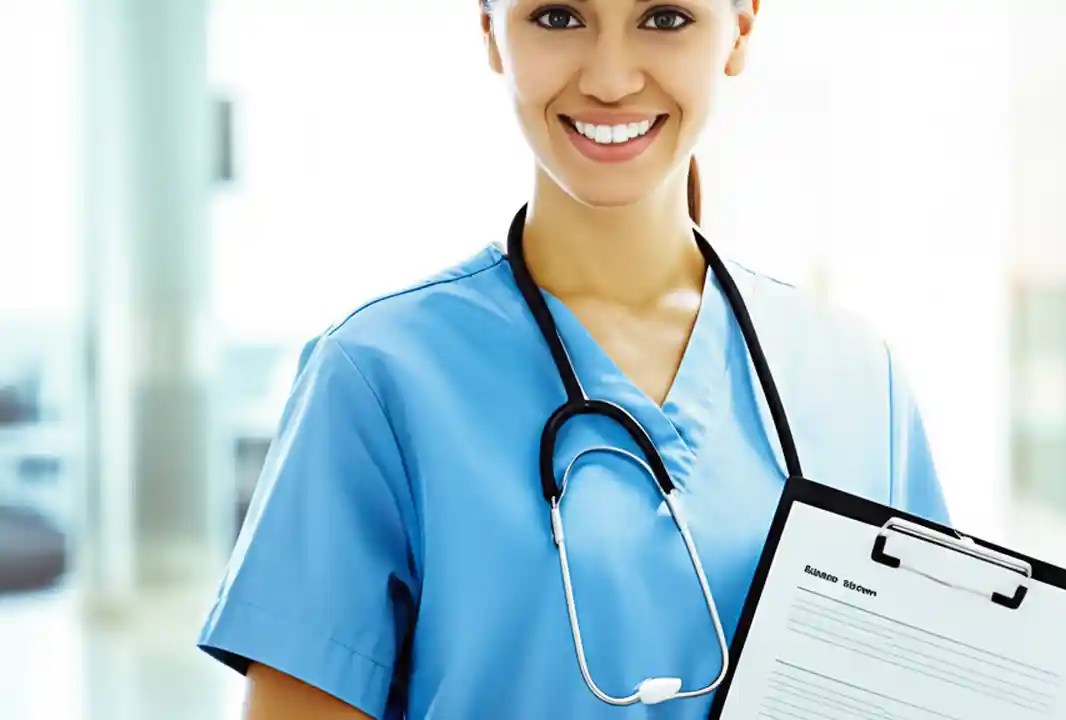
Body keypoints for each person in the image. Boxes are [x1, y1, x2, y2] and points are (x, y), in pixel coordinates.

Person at [196, 0, 951, 717]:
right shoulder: (376, 378)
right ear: (490, 29)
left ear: (742, 26)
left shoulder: (857, 380)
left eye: (665, 18)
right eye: (559, 17)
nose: (610, 78)